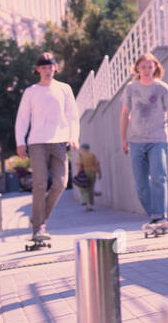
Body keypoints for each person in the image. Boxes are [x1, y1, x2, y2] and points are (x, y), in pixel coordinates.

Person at [14, 52, 80, 243]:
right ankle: (38, 228)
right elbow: (23, 118)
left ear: (55, 69)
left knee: (60, 183)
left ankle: (38, 218)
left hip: (60, 141)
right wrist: (20, 141)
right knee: (40, 184)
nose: (47, 71)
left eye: (50, 67)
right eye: (43, 68)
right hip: (37, 142)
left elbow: (72, 116)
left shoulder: (64, 89)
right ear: (38, 70)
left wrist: (73, 137)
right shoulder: (31, 92)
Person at [120, 53, 168, 230]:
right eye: (143, 67)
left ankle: (160, 215)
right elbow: (124, 114)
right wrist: (123, 138)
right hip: (136, 141)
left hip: (158, 139)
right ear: (137, 68)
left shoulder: (162, 88)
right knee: (140, 184)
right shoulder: (131, 88)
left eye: (150, 66)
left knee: (159, 177)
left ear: (155, 68)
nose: (146, 70)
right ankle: (153, 215)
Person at [75, 143, 102, 211]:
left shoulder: (80, 155)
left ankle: (88, 205)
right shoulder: (92, 155)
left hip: (84, 174)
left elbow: (79, 166)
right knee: (91, 189)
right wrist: (99, 173)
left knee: (84, 189)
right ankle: (90, 204)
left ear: (82, 148)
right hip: (92, 173)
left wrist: (77, 174)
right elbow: (97, 164)